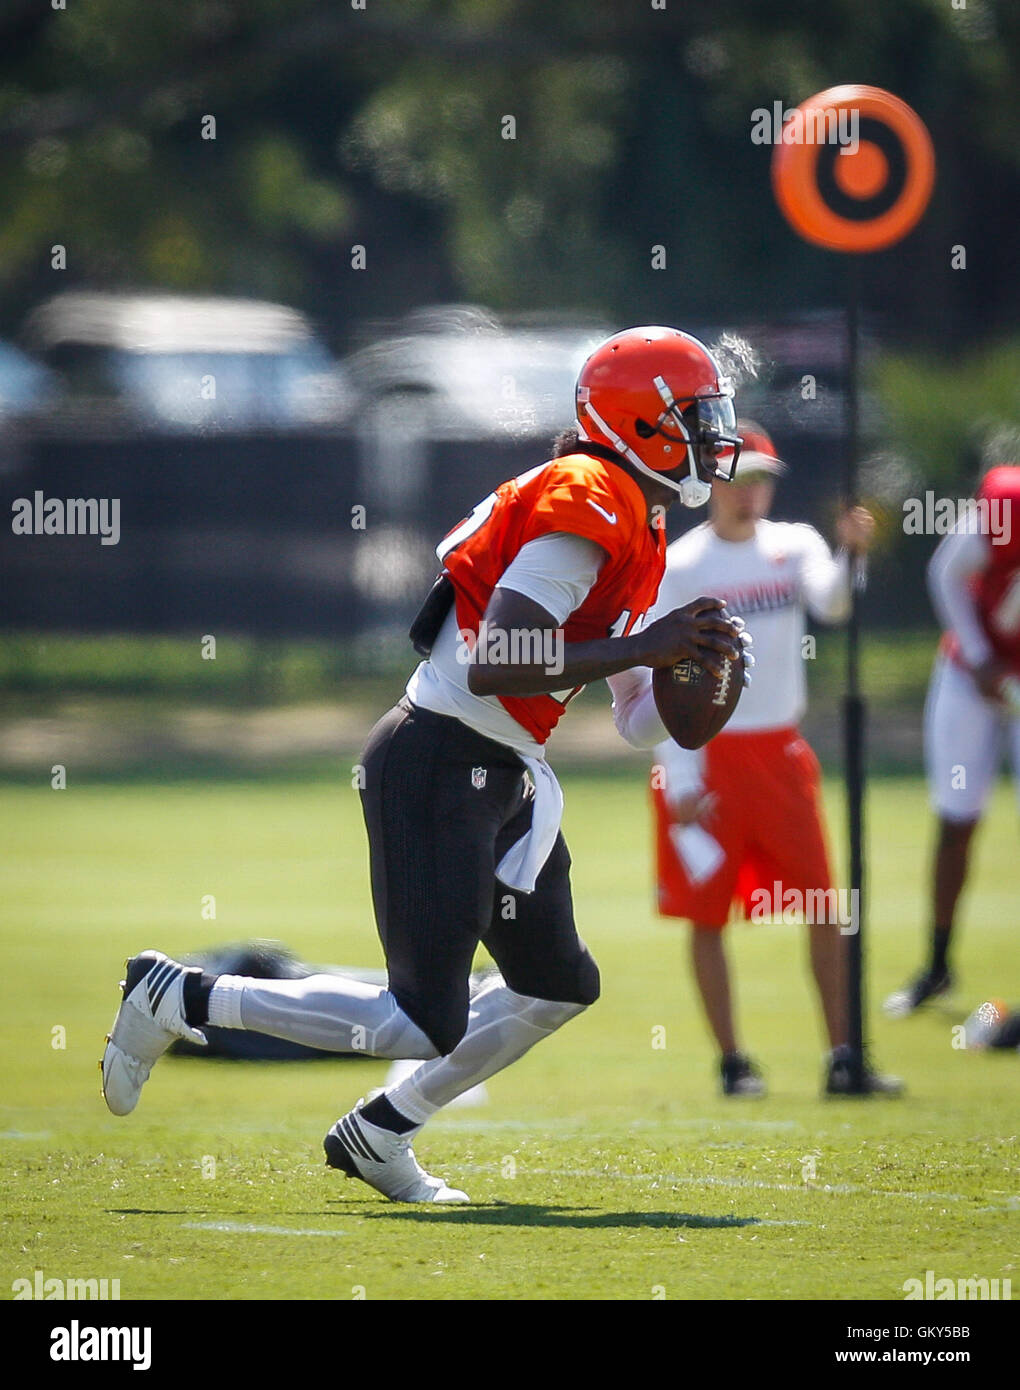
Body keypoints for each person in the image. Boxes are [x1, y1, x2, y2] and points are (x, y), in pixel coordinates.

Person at [101, 325, 747, 1204]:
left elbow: (632, 715)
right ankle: (181, 996)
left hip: (501, 766)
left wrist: (683, 685)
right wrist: (648, 642)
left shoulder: (635, 514)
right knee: (420, 1018)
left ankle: (380, 1131)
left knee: (556, 987)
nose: (715, 433)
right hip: (441, 758)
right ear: (643, 422)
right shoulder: (590, 489)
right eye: (698, 415)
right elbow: (501, 655)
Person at [645, 423, 899, 1096]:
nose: (751, 491)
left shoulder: (795, 546)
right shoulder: (681, 566)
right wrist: (683, 774)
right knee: (706, 911)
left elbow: (834, 602)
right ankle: (733, 1062)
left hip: (780, 752)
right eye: (739, 477)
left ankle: (845, 1056)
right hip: (706, 750)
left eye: (762, 478)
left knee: (821, 902)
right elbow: (661, 678)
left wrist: (851, 553)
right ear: (710, 484)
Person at [884, 462, 1020, 1018]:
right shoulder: (1008, 503)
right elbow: (946, 573)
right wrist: (984, 660)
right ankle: (938, 966)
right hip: (971, 675)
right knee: (956, 818)